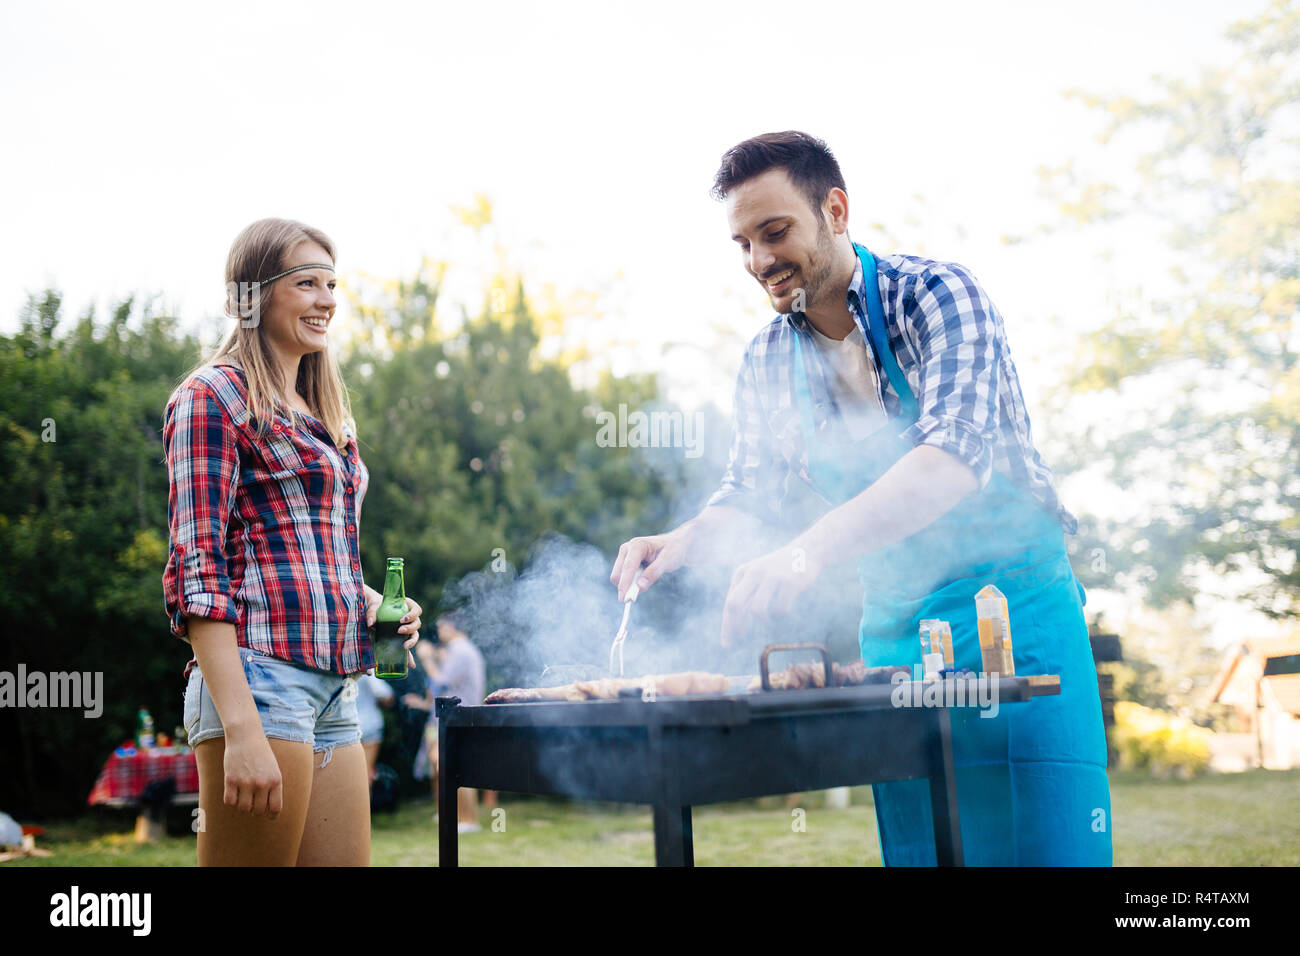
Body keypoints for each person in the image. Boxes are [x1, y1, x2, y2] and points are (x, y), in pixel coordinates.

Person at [610, 132, 1112, 866]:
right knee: (927, 849)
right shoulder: (766, 361)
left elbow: (951, 461)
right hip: (899, 642)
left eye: (775, 232)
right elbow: (748, 493)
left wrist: (808, 550)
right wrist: (684, 540)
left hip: (1014, 617)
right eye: (743, 243)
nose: (759, 261)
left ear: (835, 211)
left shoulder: (939, 297)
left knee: (1044, 844)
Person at [164, 218, 422, 866]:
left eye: (331, 283)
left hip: (337, 687)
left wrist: (364, 599)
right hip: (260, 680)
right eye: (306, 282)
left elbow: (306, 554)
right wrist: (244, 731)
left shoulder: (325, 415)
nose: (326, 299)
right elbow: (199, 569)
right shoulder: (211, 396)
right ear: (253, 294)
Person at [406, 611, 486, 833]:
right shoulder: (458, 651)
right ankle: (449, 813)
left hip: (458, 717)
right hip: (446, 718)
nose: (439, 632)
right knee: (439, 764)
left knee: (455, 766)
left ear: (452, 627)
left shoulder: (461, 651)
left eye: (441, 627)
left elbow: (441, 683)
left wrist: (426, 658)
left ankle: (469, 821)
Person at [356, 673, 395, 782]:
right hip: (368, 725)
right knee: (366, 771)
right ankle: (366, 799)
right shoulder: (364, 661)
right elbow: (385, 694)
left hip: (341, 727)